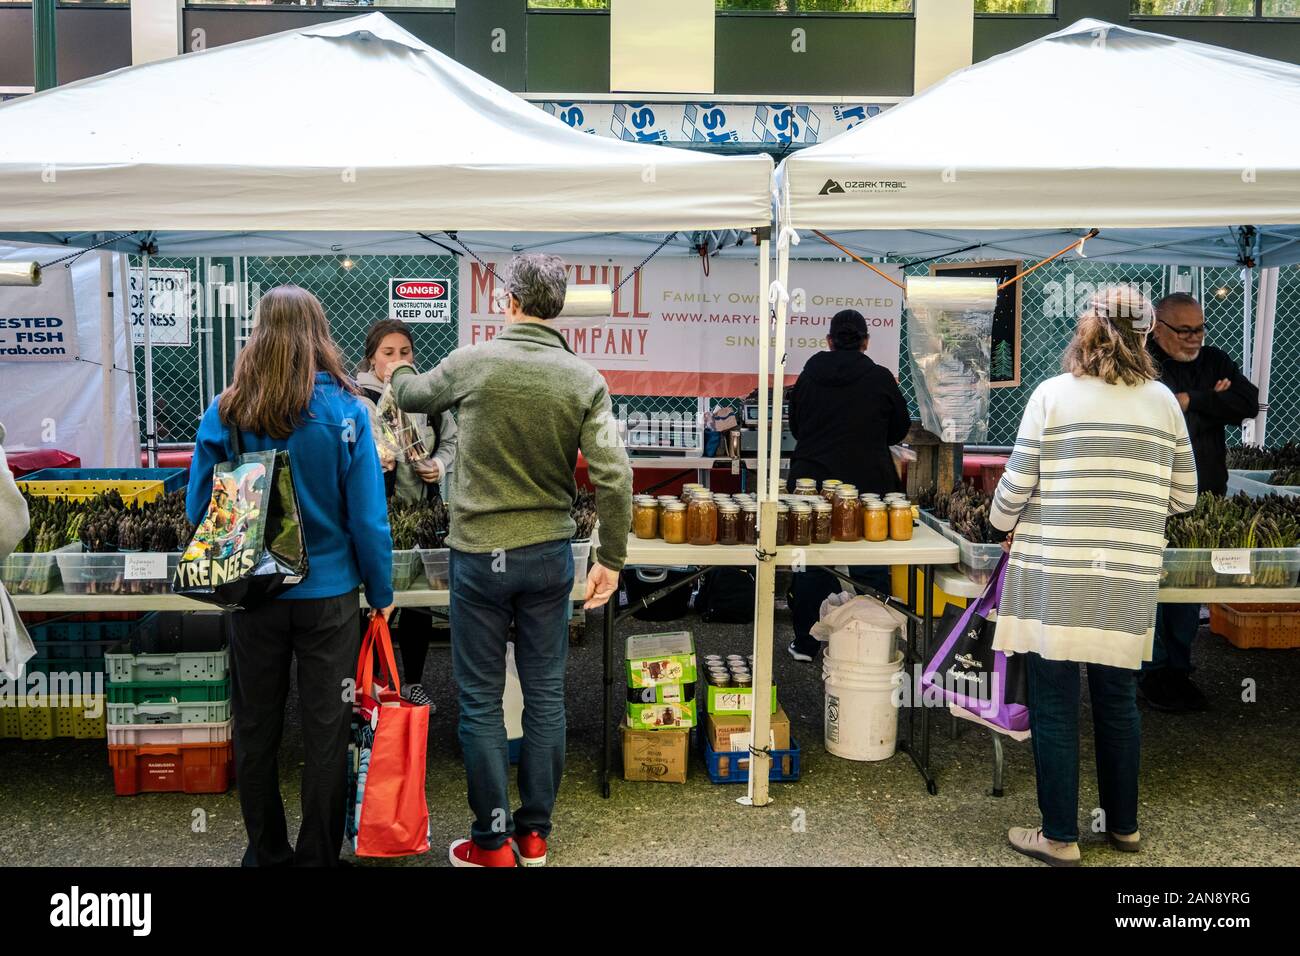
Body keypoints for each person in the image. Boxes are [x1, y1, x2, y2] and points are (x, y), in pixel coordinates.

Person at [392, 253, 632, 869]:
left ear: (510, 303)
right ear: (556, 309)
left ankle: (492, 842)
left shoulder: (473, 361)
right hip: (551, 555)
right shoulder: (584, 380)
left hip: (478, 557)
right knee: (546, 696)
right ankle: (534, 834)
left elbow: (414, 393)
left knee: (479, 700)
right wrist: (609, 556)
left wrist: (398, 369)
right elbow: (616, 478)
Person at [185, 285, 394, 868]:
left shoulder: (227, 410)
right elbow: (369, 522)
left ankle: (267, 853)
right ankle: (318, 857)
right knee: (327, 732)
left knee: (256, 727)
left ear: (258, 332)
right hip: (329, 599)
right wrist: (381, 596)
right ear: (320, 334)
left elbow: (199, 506)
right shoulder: (349, 411)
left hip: (253, 593)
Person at [990, 286, 1197, 866]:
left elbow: (1016, 486)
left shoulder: (1053, 395)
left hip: (1056, 576)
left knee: (1055, 705)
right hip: (1126, 581)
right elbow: (1185, 496)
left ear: (1087, 331)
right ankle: (1123, 828)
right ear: (1146, 334)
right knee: (1117, 701)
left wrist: (999, 516)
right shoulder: (1162, 402)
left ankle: (1059, 837)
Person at [1144, 292, 1259, 712]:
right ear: (1158, 327)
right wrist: (1215, 402)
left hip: (1206, 493)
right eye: (1184, 330)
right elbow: (1154, 414)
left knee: (1190, 582)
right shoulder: (1144, 364)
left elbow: (1248, 402)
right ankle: (1151, 671)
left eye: (1199, 329)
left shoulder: (1214, 359)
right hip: (1155, 492)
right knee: (1155, 583)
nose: (1194, 339)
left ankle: (1178, 668)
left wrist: (1194, 400)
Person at [784, 309, 911, 662]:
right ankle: (873, 641)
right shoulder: (880, 377)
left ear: (829, 340)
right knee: (870, 563)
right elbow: (898, 429)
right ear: (866, 342)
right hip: (868, 485)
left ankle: (808, 643)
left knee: (810, 561)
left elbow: (796, 428)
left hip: (812, 484)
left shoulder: (808, 376)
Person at [355, 318, 459, 709]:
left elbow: (450, 438)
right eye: (388, 353)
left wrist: (440, 465)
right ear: (372, 358)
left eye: (405, 352)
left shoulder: (426, 395)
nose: (397, 360)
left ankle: (413, 682)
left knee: (417, 600)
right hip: (376, 516)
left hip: (422, 513)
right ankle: (373, 684)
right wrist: (370, 464)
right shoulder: (356, 399)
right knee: (371, 602)